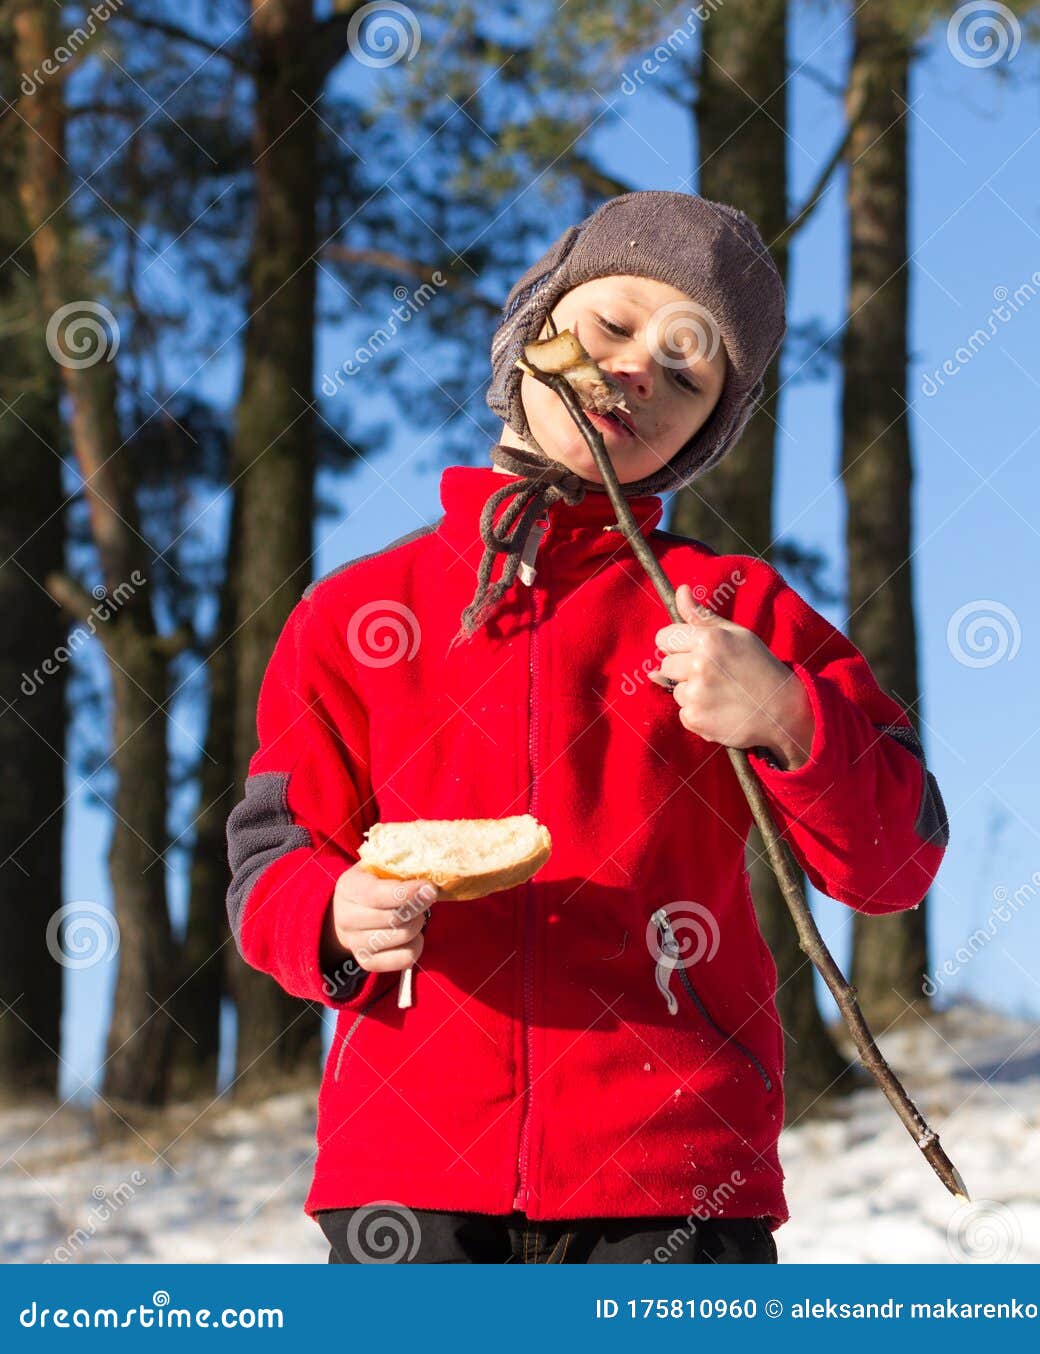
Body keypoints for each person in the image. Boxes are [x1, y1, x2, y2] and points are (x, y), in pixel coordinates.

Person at [225, 190, 949, 1265]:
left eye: (687, 370)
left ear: (705, 431)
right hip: (410, 1181)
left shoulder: (731, 609)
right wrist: (331, 914)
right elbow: (269, 857)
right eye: (610, 326)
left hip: (675, 1180)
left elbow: (894, 861)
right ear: (531, 329)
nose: (636, 369)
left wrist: (790, 718)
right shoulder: (354, 614)